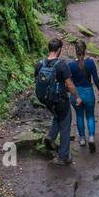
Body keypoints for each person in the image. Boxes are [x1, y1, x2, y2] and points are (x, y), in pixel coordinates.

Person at [35, 38, 82, 166]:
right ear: (59, 50)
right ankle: (64, 156)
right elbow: (69, 84)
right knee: (65, 125)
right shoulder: (61, 64)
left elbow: (37, 81)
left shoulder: (39, 64)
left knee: (57, 116)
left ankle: (51, 136)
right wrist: (76, 97)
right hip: (60, 99)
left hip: (47, 100)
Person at [68, 39, 99, 152]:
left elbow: (69, 82)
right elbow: (96, 78)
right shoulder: (90, 63)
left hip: (76, 93)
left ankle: (82, 138)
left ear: (76, 51)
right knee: (90, 116)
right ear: (85, 50)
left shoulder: (71, 65)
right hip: (88, 92)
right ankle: (91, 137)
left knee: (79, 116)